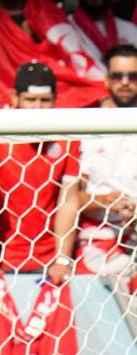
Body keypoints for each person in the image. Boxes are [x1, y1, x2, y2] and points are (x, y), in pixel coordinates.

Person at [0, 64, 82, 284]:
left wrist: (63, 259)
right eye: (30, 100)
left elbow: (68, 201)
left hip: (49, 264)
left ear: (55, 99)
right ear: (14, 98)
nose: (37, 108)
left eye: (45, 101)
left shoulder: (68, 137)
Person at [77, 45, 137, 286]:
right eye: (117, 75)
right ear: (106, 79)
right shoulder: (86, 128)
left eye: (133, 76)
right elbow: (71, 199)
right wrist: (106, 201)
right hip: (96, 244)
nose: (124, 82)